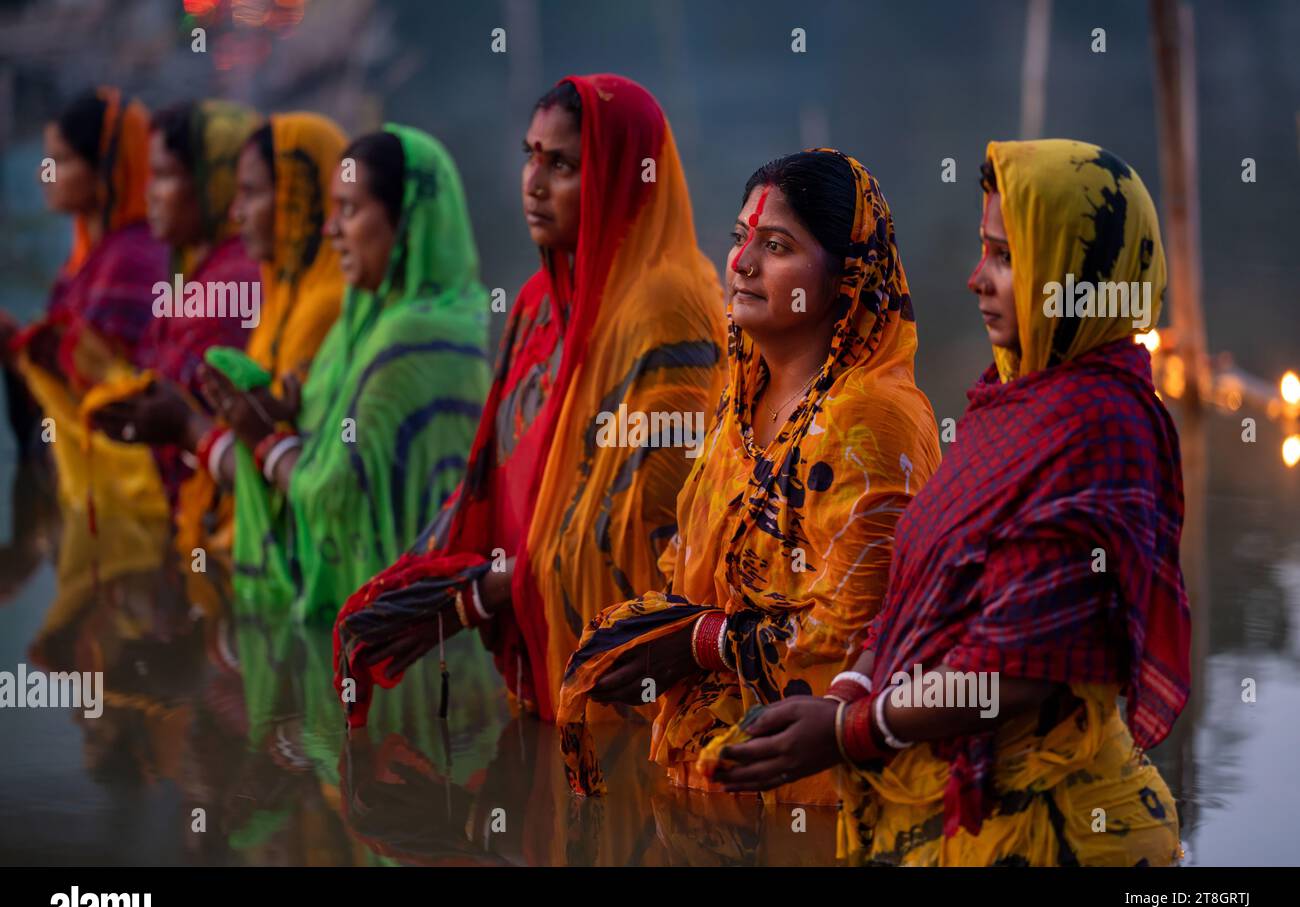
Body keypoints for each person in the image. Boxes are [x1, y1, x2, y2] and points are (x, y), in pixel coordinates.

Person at [712, 139, 1189, 866]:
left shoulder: (1104, 426)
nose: (975, 279)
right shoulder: (1008, 401)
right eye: (982, 250)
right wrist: (851, 687)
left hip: (1058, 829)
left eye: (1005, 257)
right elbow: (920, 587)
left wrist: (850, 731)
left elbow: (1021, 666)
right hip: (953, 811)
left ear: (1077, 274)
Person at [333, 75, 726, 727]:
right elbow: (492, 476)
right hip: (535, 656)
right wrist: (434, 580)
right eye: (530, 156)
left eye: (563, 164)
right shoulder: (538, 307)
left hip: (628, 694)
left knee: (611, 820)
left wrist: (493, 589)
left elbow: (649, 529)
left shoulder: (665, 306)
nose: (534, 183)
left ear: (623, 176)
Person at [555, 149, 941, 806]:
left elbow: (857, 640)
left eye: (777, 245)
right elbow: (692, 576)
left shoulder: (871, 421)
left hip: (823, 803)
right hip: (713, 787)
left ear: (847, 278)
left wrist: (699, 640)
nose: (742, 264)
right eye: (740, 239)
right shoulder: (739, 406)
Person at [199, 125, 491, 625]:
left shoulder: (411, 335)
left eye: (350, 210)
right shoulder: (359, 328)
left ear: (406, 223)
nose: (330, 229)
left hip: (406, 628)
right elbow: (337, 452)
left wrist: (262, 441)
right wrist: (293, 419)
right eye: (332, 209)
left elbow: (333, 492)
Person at [171, 113, 347, 603]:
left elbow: (310, 485)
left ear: (302, 199)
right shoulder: (283, 300)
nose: (236, 212)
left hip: (299, 585)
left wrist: (194, 431)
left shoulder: (325, 309)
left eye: (252, 194)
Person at [0, 88, 169, 518]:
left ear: (107, 170)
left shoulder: (131, 260)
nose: (45, 174)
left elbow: (99, 392)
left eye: (61, 161)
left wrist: (21, 350)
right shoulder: (87, 259)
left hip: (127, 504)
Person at [89, 99, 262, 501]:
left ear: (215, 183)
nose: (150, 194)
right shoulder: (196, 269)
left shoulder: (232, 282)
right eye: (150, 176)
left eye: (166, 176)